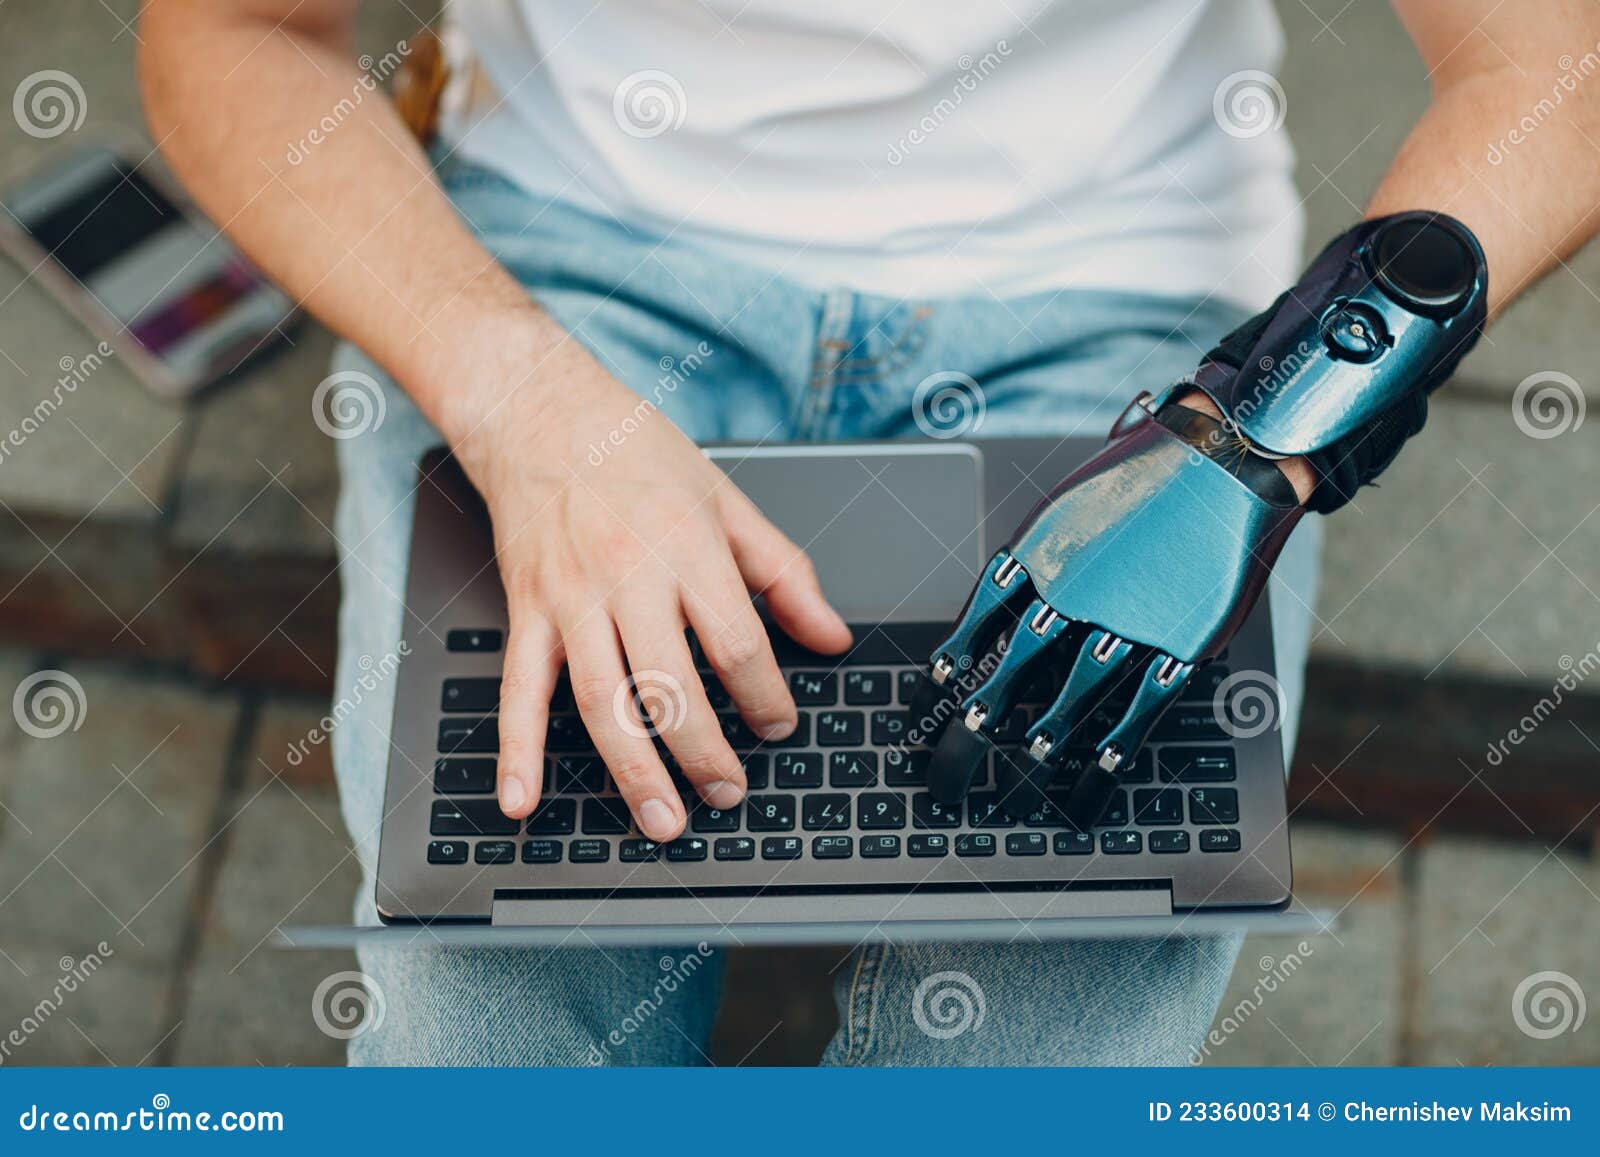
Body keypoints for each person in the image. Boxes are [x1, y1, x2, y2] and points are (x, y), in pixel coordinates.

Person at [140, 1, 1600, 1065]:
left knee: (1040, 1065)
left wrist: (1258, 430)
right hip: (569, 266)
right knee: (481, 1036)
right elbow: (234, 35)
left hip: (1124, 306)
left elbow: (1554, 64)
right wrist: (520, 396)